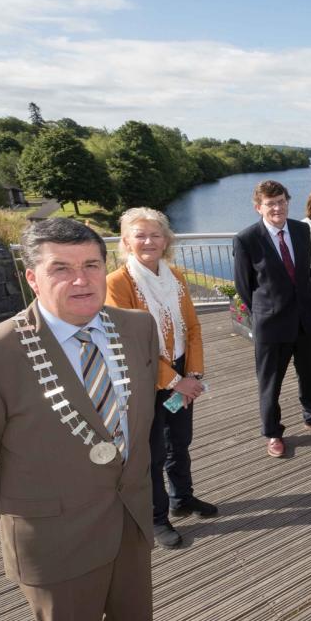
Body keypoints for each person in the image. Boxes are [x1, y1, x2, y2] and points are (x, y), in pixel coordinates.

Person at [0, 218, 158, 621]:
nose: (81, 279)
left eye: (92, 265)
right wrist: (25, 511)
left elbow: (137, 421)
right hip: (55, 542)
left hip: (130, 524)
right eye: (61, 268)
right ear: (32, 278)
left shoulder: (139, 328)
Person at [106, 207, 217, 550]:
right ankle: (156, 517)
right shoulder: (118, 284)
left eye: (156, 235)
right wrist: (174, 381)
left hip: (183, 370)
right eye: (140, 235)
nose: (149, 241)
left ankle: (181, 498)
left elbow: (193, 328)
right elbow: (128, 344)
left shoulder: (177, 277)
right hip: (144, 380)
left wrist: (193, 373)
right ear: (126, 241)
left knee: (180, 441)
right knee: (152, 453)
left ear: (167, 240)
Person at [233, 180, 311, 459]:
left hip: (305, 317)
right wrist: (266, 310)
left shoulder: (303, 230)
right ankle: (273, 432)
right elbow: (244, 287)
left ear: (288, 202)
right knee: (270, 382)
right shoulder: (246, 239)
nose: (277, 208)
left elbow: (305, 275)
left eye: (281, 201)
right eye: (270, 203)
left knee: (310, 372)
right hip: (272, 323)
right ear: (259, 207)